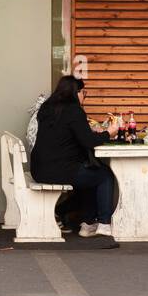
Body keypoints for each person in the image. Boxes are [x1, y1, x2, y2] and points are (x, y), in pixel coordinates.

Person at [31, 76, 121, 247]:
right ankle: (103, 223)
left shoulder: (48, 108)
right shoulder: (74, 110)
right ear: (76, 92)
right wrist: (108, 133)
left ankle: (87, 225)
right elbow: (87, 142)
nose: (84, 96)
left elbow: (65, 134)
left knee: (91, 173)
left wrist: (90, 130)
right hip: (59, 169)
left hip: (39, 168)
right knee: (103, 175)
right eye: (83, 93)